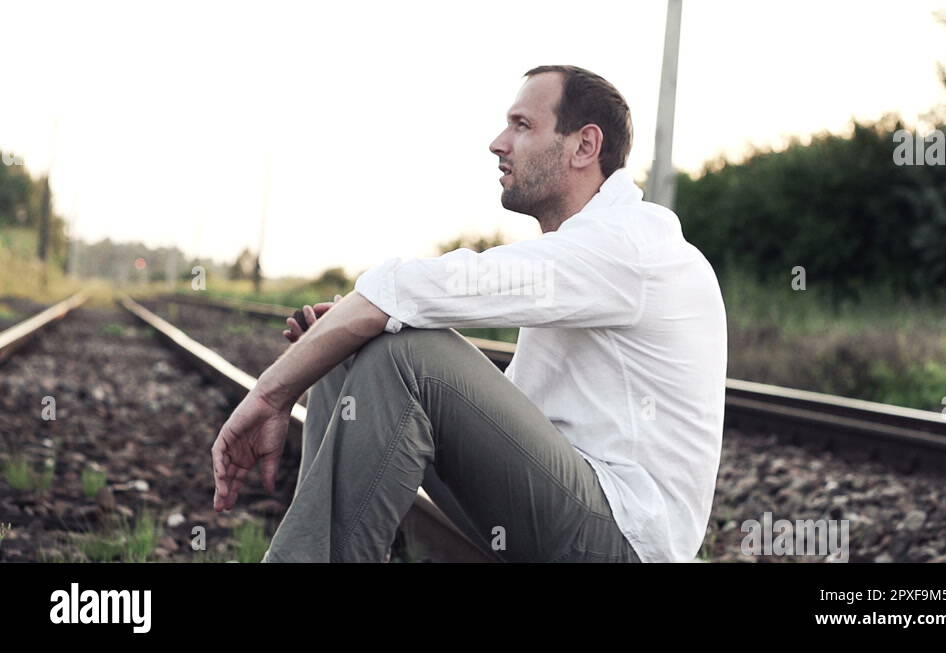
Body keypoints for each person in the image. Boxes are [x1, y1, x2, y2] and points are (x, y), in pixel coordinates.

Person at [211, 65, 728, 563]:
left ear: (584, 146)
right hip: (576, 509)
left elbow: (410, 289)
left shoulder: (629, 243)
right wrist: (341, 336)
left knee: (408, 352)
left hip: (626, 540)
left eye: (522, 125)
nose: (498, 143)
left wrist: (269, 395)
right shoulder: (585, 249)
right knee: (353, 344)